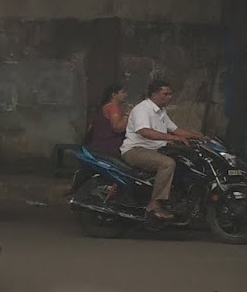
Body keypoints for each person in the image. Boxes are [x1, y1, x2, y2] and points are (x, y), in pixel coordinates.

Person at [121, 77, 202, 220]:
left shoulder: (161, 111)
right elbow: (144, 131)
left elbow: (176, 129)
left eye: (170, 94)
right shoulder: (142, 109)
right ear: (154, 94)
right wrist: (171, 138)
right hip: (135, 150)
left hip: (154, 150)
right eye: (166, 94)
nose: (169, 97)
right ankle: (154, 203)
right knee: (167, 163)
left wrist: (201, 138)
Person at [85, 83, 130, 158]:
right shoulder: (113, 107)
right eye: (123, 92)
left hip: (99, 145)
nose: (126, 95)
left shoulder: (107, 106)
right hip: (109, 147)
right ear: (114, 95)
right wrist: (127, 114)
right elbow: (117, 128)